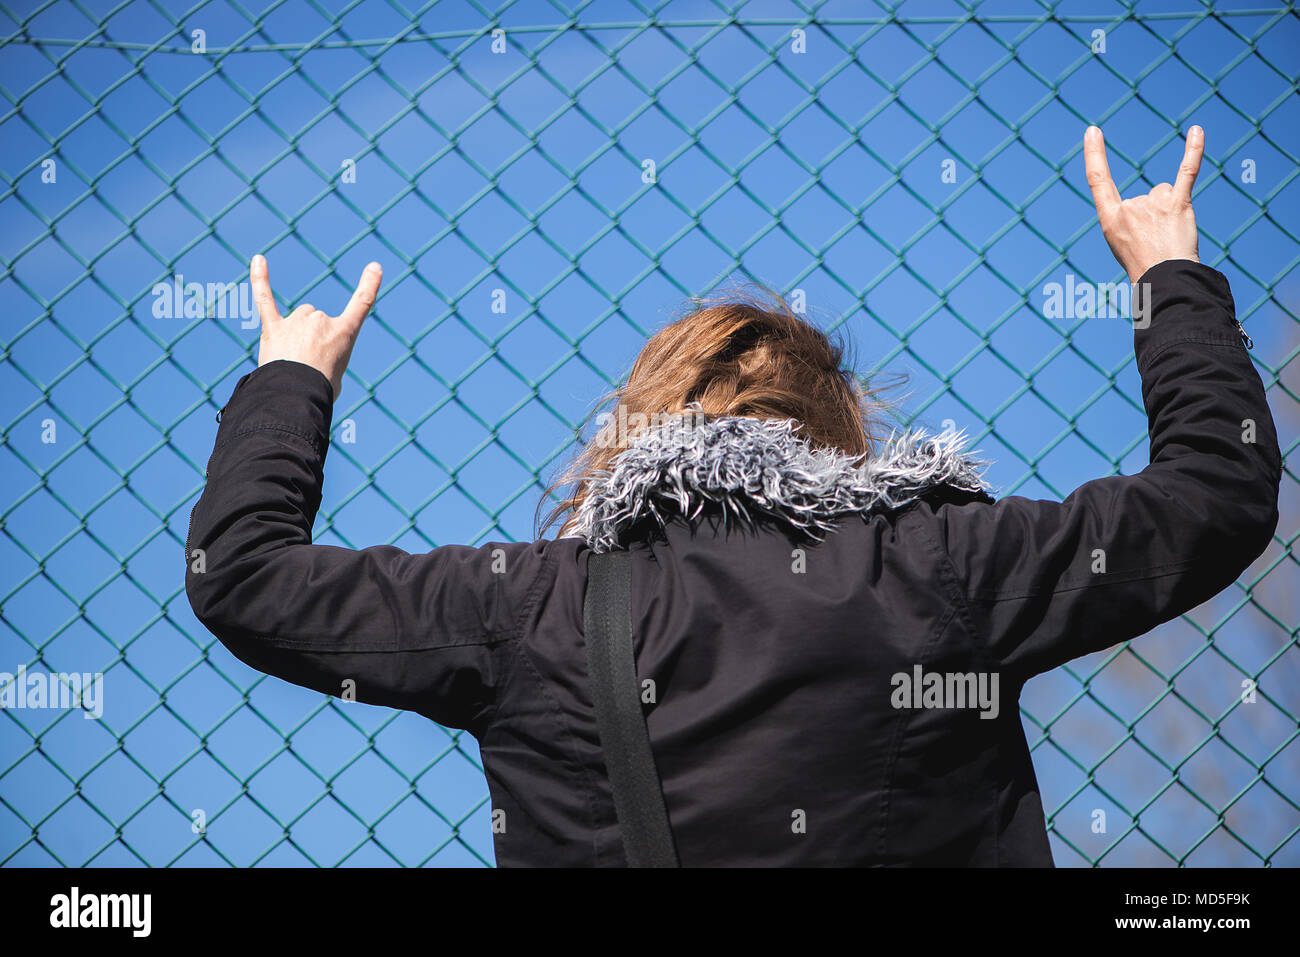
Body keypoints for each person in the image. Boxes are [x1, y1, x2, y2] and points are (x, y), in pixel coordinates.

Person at [184, 127, 1280, 866]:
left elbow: (242, 579)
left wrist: (293, 379)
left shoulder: (528, 609)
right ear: (844, 430)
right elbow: (1217, 490)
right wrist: (1164, 272)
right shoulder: (945, 563)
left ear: (640, 423)